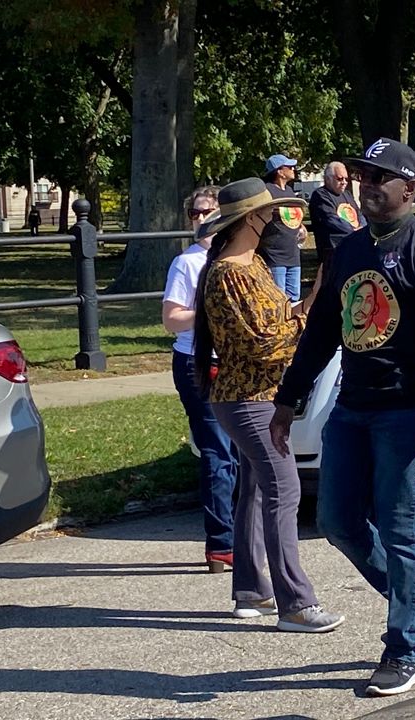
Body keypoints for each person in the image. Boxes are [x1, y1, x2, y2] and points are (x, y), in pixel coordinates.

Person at [270, 137, 415, 697]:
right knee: (336, 521)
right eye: (362, 176)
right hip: (353, 407)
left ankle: (403, 649)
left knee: (402, 527)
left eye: (380, 177)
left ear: (411, 188)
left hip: (408, 411)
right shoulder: (351, 250)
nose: (368, 186)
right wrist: (288, 399)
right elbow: (322, 332)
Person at [192, 177, 344, 633]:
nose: (279, 219)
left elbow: (277, 320)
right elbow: (263, 343)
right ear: (252, 219)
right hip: (248, 398)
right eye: (271, 212)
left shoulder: (252, 263)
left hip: (252, 396)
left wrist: (309, 301)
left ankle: (251, 592)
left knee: (257, 489)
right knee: (284, 488)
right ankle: (295, 604)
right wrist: (311, 315)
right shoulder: (230, 273)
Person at [162, 186, 239, 573]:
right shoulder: (187, 263)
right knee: (218, 451)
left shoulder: (238, 257)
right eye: (195, 213)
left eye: (208, 211)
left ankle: (242, 535)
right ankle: (222, 544)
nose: (201, 218)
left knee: (240, 451)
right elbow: (171, 319)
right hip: (197, 362)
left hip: (235, 364)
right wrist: (210, 312)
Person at [261, 154, 308, 300]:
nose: (293, 169)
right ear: (279, 171)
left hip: (293, 254)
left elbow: (292, 215)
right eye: (290, 167)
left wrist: (301, 226)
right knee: (279, 298)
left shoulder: (289, 191)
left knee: (294, 297)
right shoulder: (267, 191)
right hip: (275, 255)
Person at [309, 160, 365, 275]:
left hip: (353, 248)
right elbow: (331, 219)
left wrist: (363, 229)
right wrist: (355, 231)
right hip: (333, 252)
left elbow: (359, 214)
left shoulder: (347, 194)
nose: (344, 182)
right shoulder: (320, 195)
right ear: (328, 179)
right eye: (340, 179)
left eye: (346, 179)